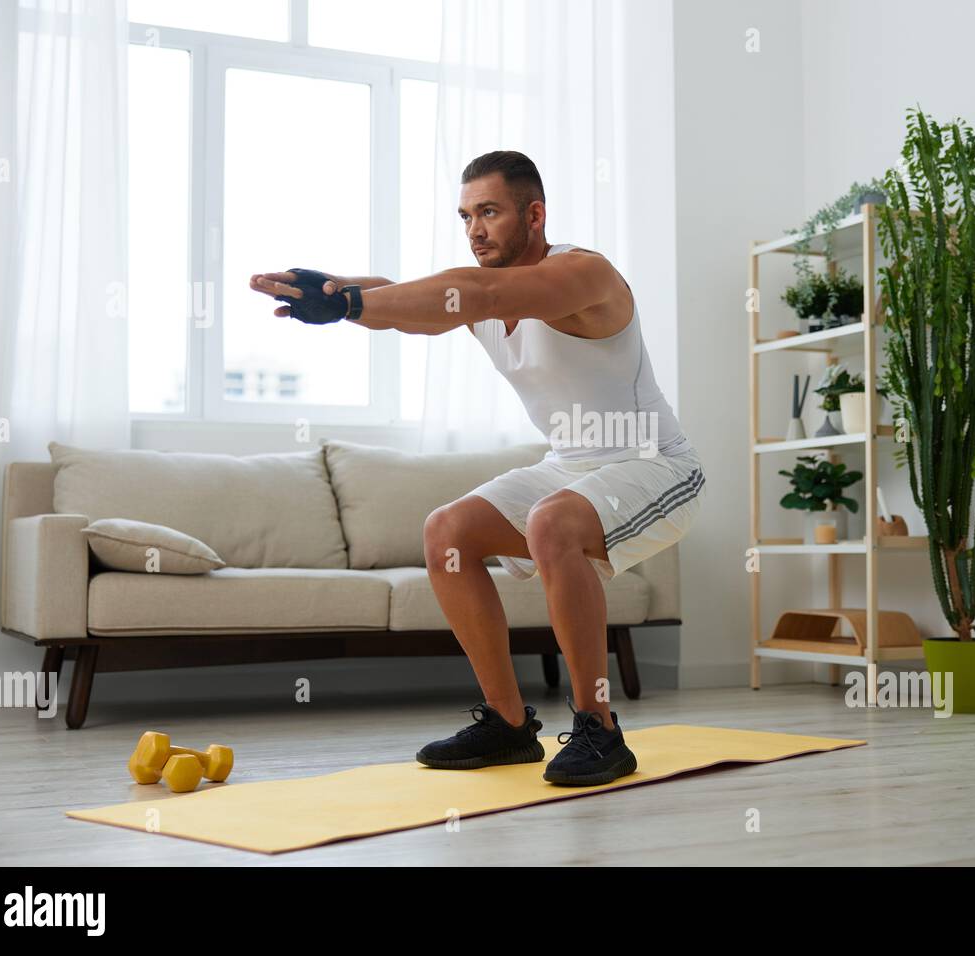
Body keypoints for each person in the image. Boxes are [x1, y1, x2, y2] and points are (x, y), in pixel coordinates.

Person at [249, 150, 704, 786]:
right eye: (465, 216)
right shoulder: (482, 294)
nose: (475, 229)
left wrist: (353, 302)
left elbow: (478, 292)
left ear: (535, 214)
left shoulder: (584, 275)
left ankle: (599, 729)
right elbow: (426, 302)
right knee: (448, 532)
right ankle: (508, 725)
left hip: (655, 465)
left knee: (552, 522)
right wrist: (337, 293)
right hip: (570, 466)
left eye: (488, 211)